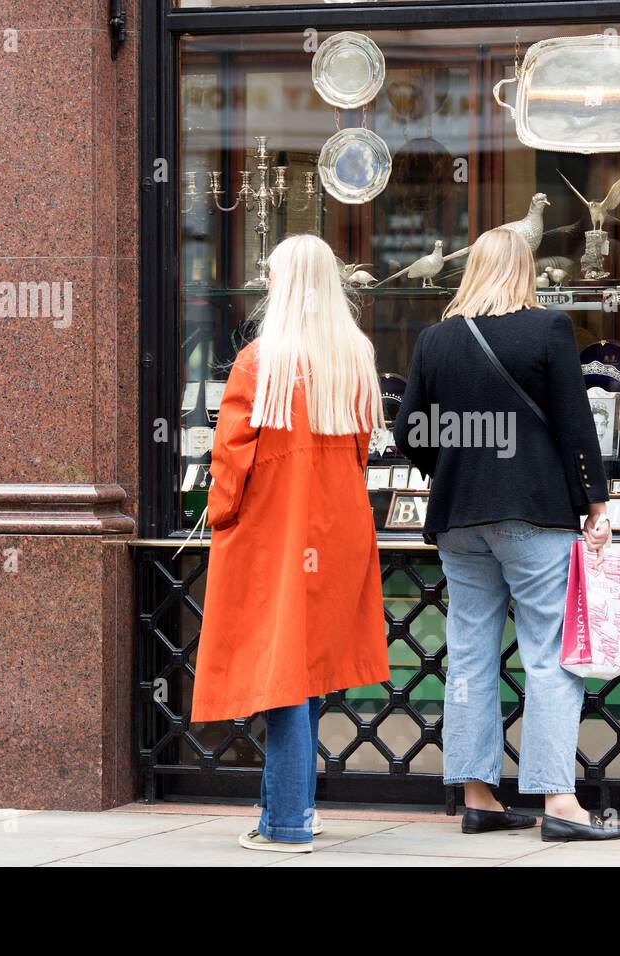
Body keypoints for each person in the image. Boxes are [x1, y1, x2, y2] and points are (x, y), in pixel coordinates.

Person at [394, 226, 620, 843]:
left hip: (458, 521)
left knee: (469, 655)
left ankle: (479, 796)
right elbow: (577, 423)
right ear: (525, 270)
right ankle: (560, 801)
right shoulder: (547, 329)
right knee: (550, 654)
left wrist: (451, 469)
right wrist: (596, 503)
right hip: (534, 514)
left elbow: (409, 432)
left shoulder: (435, 339)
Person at [190, 233, 391, 854]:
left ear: (285, 284)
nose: (265, 285)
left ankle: (286, 821)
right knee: (305, 669)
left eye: (270, 276)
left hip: (276, 531)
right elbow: (359, 451)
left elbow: (231, 456)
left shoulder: (261, 360)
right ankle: (294, 803)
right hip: (338, 527)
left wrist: (218, 516)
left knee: (282, 672)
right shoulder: (354, 354)